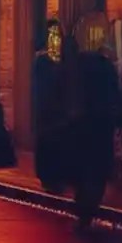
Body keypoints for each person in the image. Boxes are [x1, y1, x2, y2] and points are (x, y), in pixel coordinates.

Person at [64, 34, 120, 231]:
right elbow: (115, 96)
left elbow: (66, 96)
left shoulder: (74, 68)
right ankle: (90, 207)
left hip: (83, 125)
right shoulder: (106, 68)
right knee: (97, 169)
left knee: (83, 169)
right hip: (100, 125)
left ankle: (84, 211)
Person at [33, 20, 68, 192]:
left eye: (58, 36)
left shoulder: (64, 62)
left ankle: (59, 177)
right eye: (52, 36)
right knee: (48, 145)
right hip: (46, 113)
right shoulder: (42, 62)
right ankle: (49, 177)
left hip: (60, 113)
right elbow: (39, 88)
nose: (55, 40)